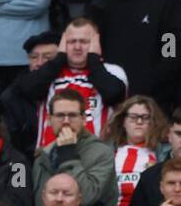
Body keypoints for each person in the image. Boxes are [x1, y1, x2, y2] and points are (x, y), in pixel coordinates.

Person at [15, 16, 128, 153]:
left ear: (96, 43)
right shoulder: (50, 72)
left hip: (95, 157)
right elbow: (28, 89)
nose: (77, 47)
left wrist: (94, 61)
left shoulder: (112, 70)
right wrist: (59, 57)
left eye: (84, 41)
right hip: (49, 157)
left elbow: (114, 94)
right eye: (71, 41)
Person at [84, 0, 181, 111]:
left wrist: (146, 90)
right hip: (106, 101)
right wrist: (97, 2)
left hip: (149, 104)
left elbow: (171, 52)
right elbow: (86, 42)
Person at [31, 88, 119, 206]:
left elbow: (87, 196)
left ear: (84, 119)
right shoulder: (42, 156)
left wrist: (68, 153)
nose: (66, 121)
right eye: (60, 115)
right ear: (49, 119)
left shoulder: (102, 153)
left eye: (72, 115)